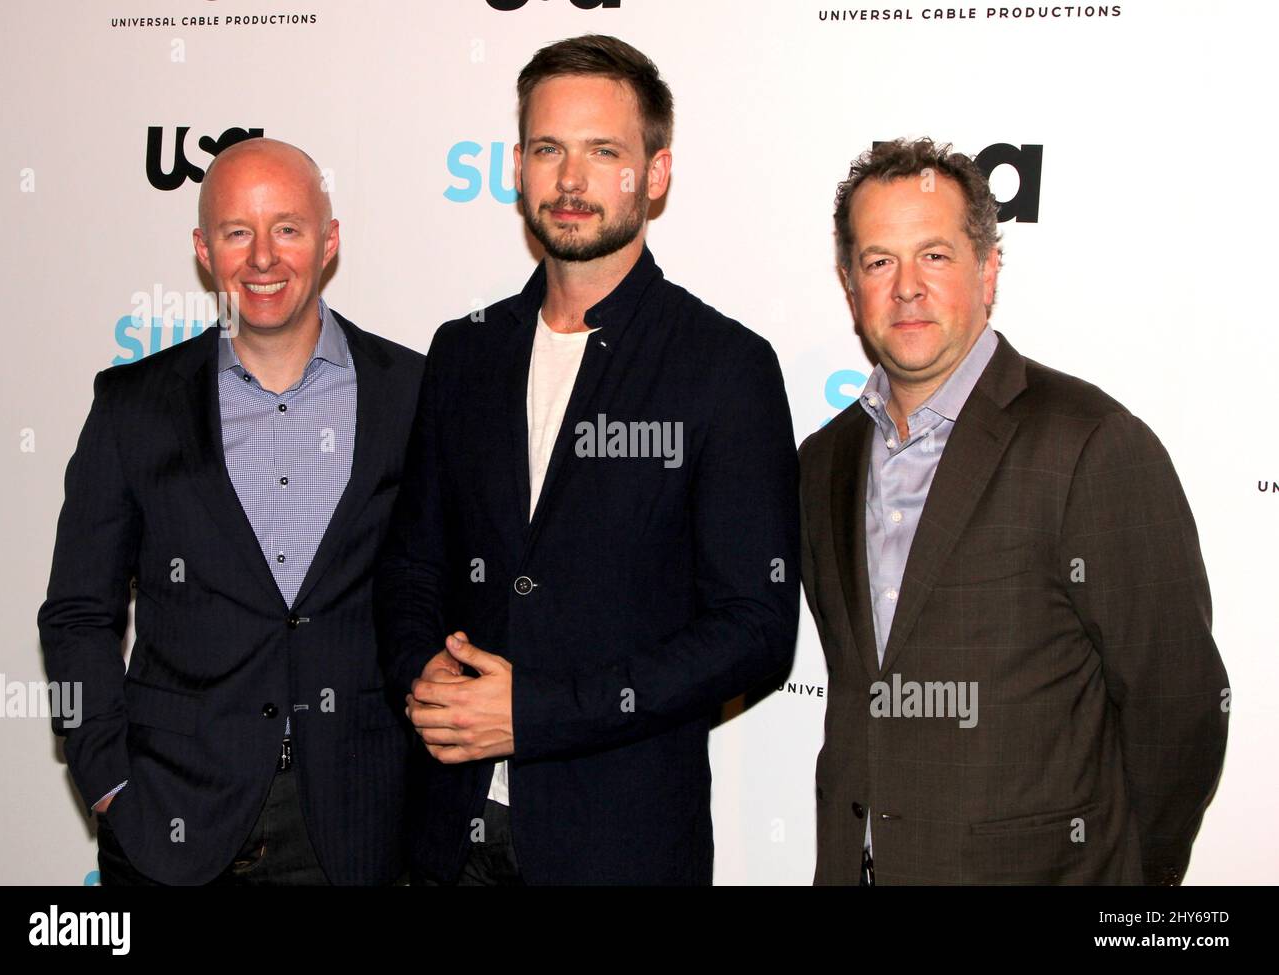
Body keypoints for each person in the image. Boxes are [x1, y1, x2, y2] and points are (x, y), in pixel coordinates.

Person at [375, 34, 799, 885]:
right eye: (548, 149)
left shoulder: (723, 366)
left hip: (620, 848)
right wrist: (423, 671)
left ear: (656, 172)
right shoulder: (465, 351)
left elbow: (755, 629)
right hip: (443, 838)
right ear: (519, 169)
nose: (570, 181)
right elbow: (412, 565)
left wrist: (534, 714)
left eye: (603, 151)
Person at [799, 137, 1229, 885]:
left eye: (933, 256)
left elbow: (1181, 703)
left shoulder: (1090, 443)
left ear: (988, 270)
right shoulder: (822, 462)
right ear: (849, 282)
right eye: (878, 261)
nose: (906, 287)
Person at [39, 138, 424, 885]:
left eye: (287, 227)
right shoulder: (133, 407)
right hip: (169, 820)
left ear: (329, 240)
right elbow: (77, 614)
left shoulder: (413, 394)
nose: (263, 258)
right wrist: (109, 780)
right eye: (236, 232)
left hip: (355, 825)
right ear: (203, 250)